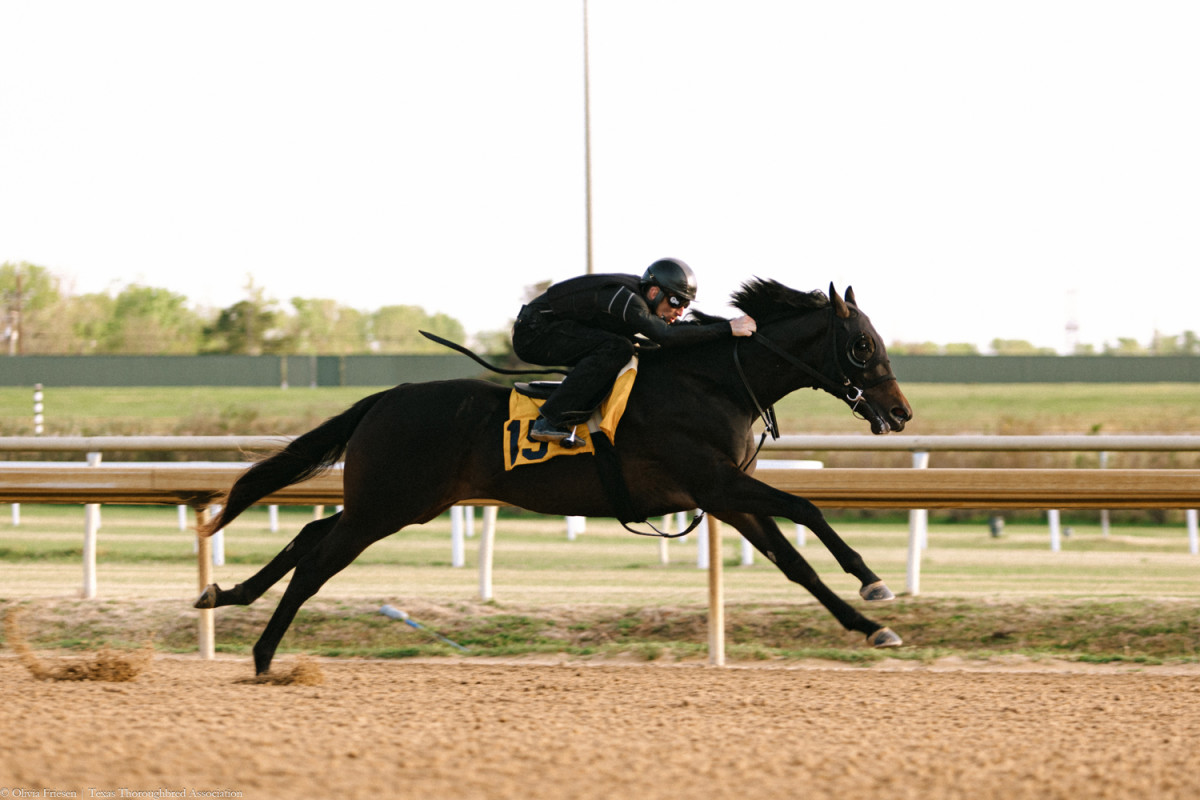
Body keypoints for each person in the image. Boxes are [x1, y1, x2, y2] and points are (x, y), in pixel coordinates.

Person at [512, 257, 757, 444]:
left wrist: (723, 329)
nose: (680, 310)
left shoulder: (639, 300)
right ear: (654, 291)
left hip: (556, 327)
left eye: (685, 304)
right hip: (534, 333)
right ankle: (551, 419)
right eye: (675, 301)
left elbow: (674, 333)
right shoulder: (625, 298)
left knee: (636, 348)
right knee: (618, 347)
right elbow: (666, 335)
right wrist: (727, 329)